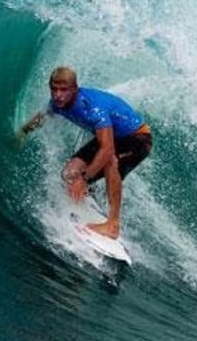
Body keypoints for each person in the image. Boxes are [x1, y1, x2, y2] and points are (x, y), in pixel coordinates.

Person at [18, 66, 152, 239]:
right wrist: (23, 133)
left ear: (75, 88)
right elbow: (42, 117)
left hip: (138, 138)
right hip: (113, 137)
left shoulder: (93, 108)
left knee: (109, 159)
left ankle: (112, 225)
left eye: (63, 90)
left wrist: (84, 179)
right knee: (69, 173)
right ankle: (88, 196)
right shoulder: (58, 104)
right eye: (54, 89)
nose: (58, 95)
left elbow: (107, 149)